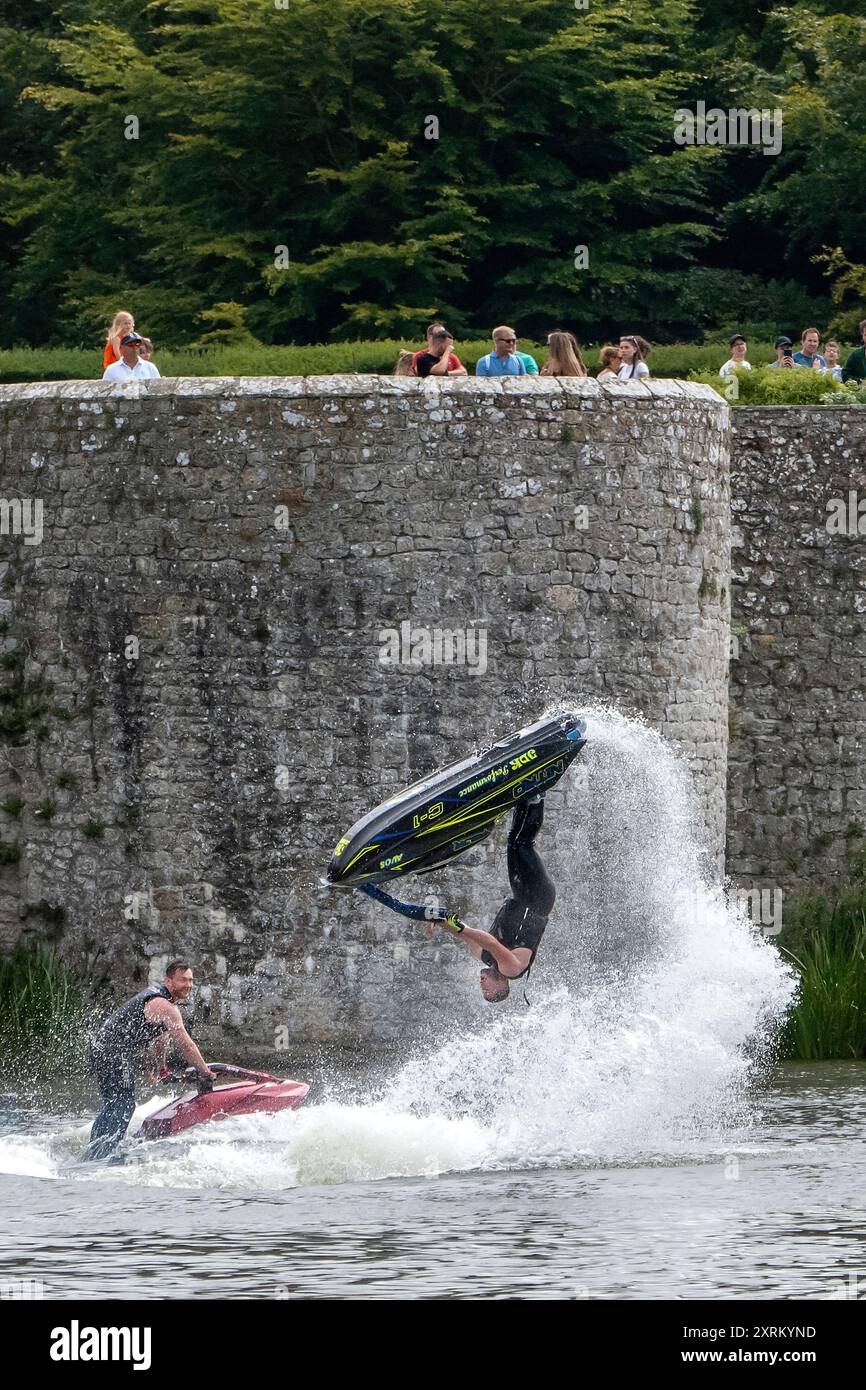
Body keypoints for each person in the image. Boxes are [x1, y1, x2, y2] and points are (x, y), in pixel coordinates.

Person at [82, 961, 216, 1160]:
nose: (188, 985)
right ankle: (102, 1153)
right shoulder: (166, 1006)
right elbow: (186, 1045)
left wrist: (162, 1068)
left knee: (115, 1102)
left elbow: (160, 1037)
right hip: (113, 1051)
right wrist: (205, 1073)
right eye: (183, 980)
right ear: (169, 981)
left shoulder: (160, 999)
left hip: (103, 1048)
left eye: (190, 980)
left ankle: (97, 1150)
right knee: (123, 1103)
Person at [429, 794, 555, 1002]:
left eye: (483, 991)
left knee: (514, 841)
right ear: (501, 985)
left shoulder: (483, 956)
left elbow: (463, 934)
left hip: (522, 895)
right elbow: (490, 942)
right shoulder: (511, 969)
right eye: (488, 990)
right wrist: (461, 928)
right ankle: (537, 797)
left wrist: (440, 921)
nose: (482, 986)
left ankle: (523, 797)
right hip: (539, 899)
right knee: (522, 844)